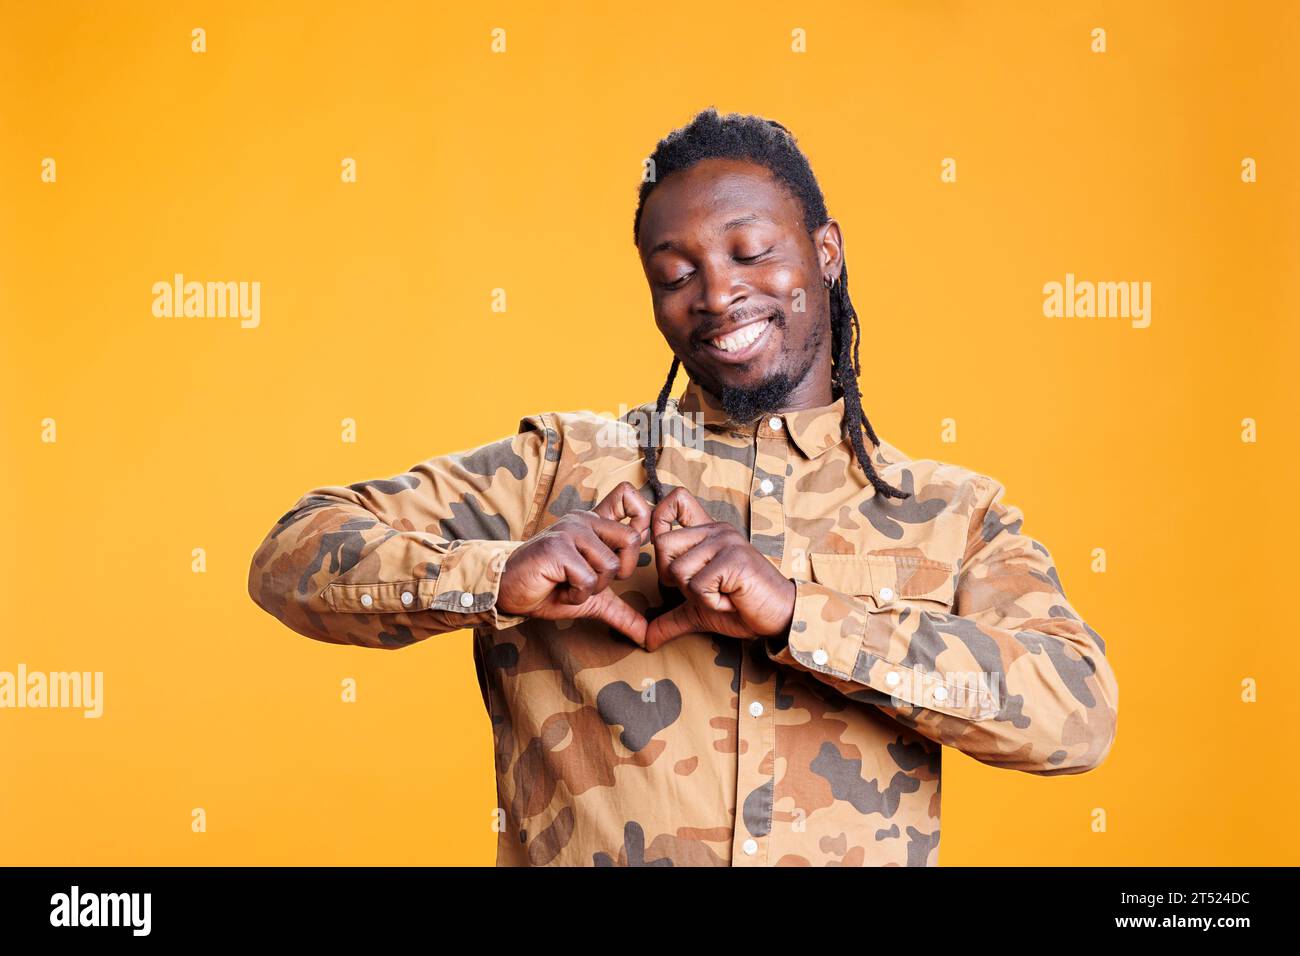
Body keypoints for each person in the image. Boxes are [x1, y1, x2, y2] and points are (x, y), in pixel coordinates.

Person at [247, 107, 1118, 867]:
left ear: (826, 250)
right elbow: (288, 558)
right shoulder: (558, 469)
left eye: (750, 252)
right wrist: (497, 574)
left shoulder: (953, 515)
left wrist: (797, 614)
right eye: (676, 274)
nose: (718, 293)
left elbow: (1076, 721)